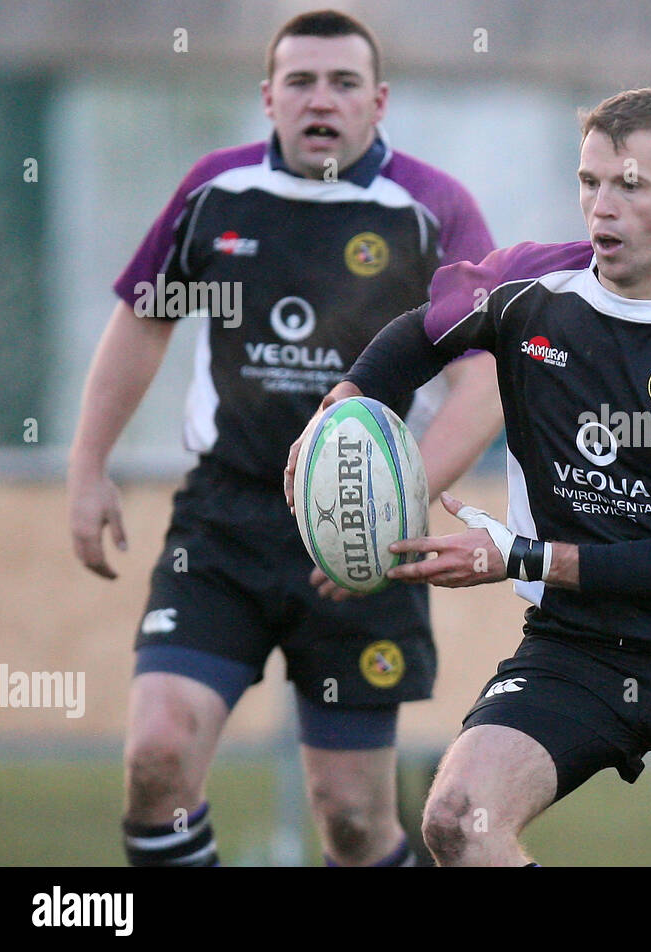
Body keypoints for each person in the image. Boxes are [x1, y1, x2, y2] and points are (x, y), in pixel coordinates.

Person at [287, 88, 651, 867]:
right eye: (589, 182)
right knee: (458, 822)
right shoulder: (529, 288)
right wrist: (345, 398)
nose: (600, 209)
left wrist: (517, 558)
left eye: (629, 186)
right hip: (576, 647)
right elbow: (419, 333)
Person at [67, 9, 500, 867]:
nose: (320, 101)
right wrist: (87, 467)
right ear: (268, 97)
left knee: (349, 818)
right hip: (223, 523)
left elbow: (485, 387)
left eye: (343, 84)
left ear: (378, 103)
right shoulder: (215, 192)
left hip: (365, 530)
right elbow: (142, 322)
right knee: (157, 757)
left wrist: (391, 511)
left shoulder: (433, 208)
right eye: (300, 82)